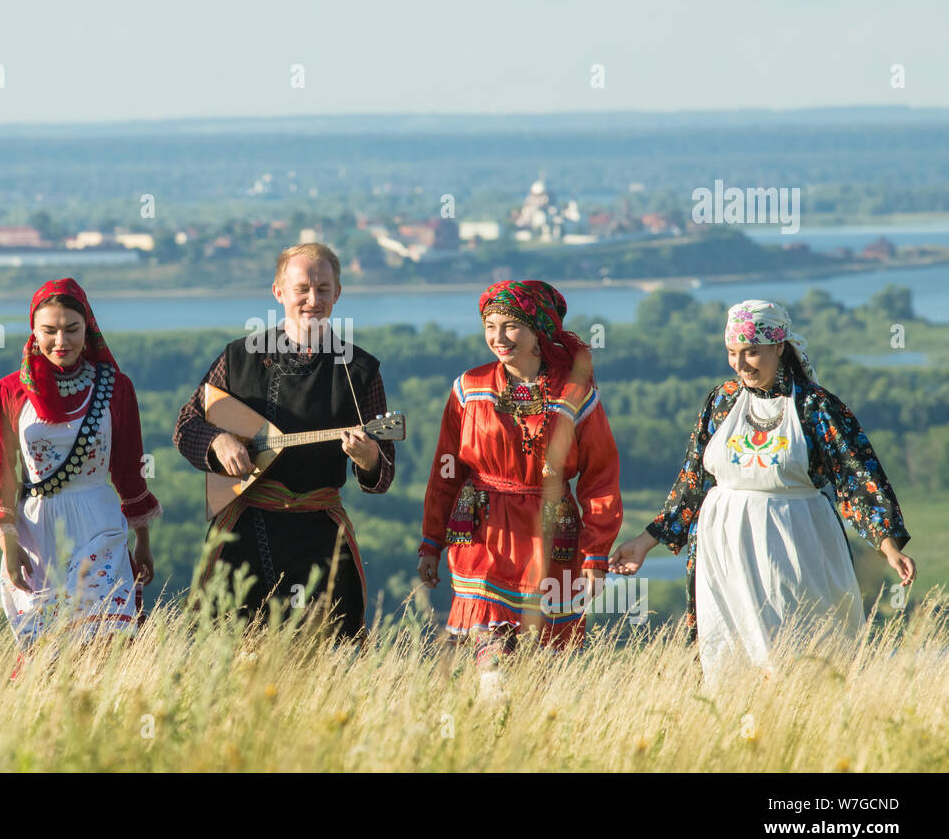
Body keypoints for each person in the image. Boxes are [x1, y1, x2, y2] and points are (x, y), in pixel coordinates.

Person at [609, 299, 915, 679]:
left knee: (801, 654)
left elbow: (858, 478)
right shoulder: (721, 401)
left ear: (779, 346)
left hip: (796, 545)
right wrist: (644, 542)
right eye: (732, 352)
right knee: (730, 660)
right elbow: (693, 483)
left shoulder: (816, 407)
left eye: (751, 351)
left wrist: (888, 546)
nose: (740, 363)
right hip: (722, 550)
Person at [173, 243, 394, 639]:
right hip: (243, 532)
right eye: (302, 289)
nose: (313, 300)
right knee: (232, 652)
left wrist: (369, 456)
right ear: (279, 292)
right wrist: (218, 442)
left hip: (320, 535)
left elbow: (383, 473)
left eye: (324, 289)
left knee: (323, 655)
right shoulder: (239, 357)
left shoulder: (359, 370)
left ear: (338, 293)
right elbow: (187, 425)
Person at [419, 279, 622, 660]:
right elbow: (447, 471)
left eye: (511, 326)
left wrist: (595, 552)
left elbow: (600, 478)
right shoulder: (469, 387)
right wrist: (431, 540)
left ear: (539, 332)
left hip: (550, 536)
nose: (499, 337)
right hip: (483, 533)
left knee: (543, 663)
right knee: (491, 657)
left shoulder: (574, 394)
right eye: (489, 326)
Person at [0, 278, 159, 649]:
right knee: (48, 650)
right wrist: (9, 545)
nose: (62, 341)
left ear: (87, 328)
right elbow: (2, 473)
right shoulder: (10, 391)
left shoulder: (116, 388)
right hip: (38, 528)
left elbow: (128, 469)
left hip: (99, 522)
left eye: (72, 329)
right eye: (50, 330)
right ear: (33, 332)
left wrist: (143, 542)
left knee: (106, 640)